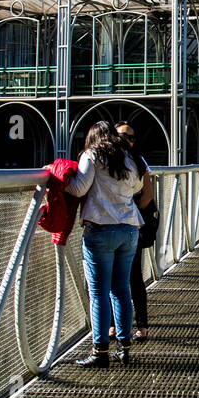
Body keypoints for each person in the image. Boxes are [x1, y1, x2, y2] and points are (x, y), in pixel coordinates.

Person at [65, 120, 144, 368]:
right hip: (129, 228)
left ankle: (100, 351)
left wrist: (57, 177)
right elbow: (137, 186)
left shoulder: (92, 154)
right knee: (121, 289)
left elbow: (79, 188)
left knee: (98, 293)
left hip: (101, 228)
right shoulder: (128, 157)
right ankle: (124, 346)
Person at [110, 123, 158, 342]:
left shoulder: (139, 161)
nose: (127, 140)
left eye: (131, 136)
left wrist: (127, 213)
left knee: (132, 277)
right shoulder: (106, 159)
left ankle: (141, 326)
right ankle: (113, 326)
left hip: (130, 225)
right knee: (113, 278)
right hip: (117, 224)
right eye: (122, 135)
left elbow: (148, 195)